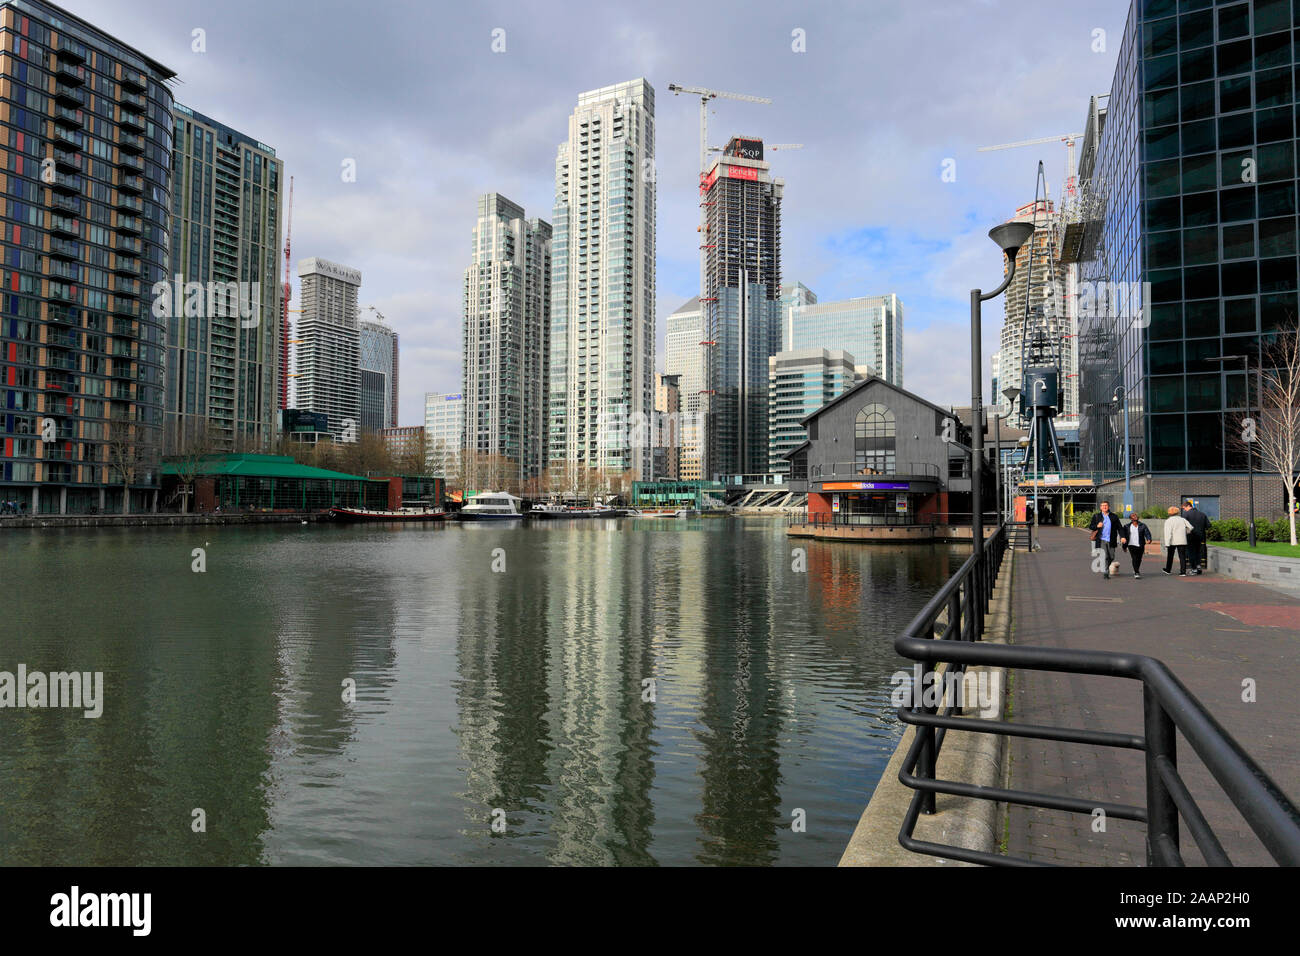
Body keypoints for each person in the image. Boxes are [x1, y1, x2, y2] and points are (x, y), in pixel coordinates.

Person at [1086, 501, 1122, 579]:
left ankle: (1106, 567)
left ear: (1108, 507)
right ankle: (1106, 572)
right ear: (1100, 507)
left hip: (1111, 539)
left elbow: (1119, 527)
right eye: (1103, 505)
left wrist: (1122, 537)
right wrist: (1097, 526)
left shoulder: (1114, 516)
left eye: (1106, 505)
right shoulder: (1096, 516)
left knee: (1112, 557)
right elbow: (1091, 527)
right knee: (1105, 556)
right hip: (1101, 539)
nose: (1104, 507)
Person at [1181, 500, 1210, 575]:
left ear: (1188, 506)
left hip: (1190, 536)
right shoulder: (1202, 514)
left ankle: (1193, 569)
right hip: (1200, 537)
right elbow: (1208, 525)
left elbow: (1182, 526)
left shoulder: (1185, 514)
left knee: (1191, 552)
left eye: (1184, 508)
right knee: (1198, 552)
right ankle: (1199, 566)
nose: (1184, 510)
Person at [1121, 511, 1153, 579]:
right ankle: (1136, 572)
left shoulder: (1143, 525)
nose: (1135, 516)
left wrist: (1149, 539)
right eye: (1133, 516)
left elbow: (1147, 533)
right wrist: (1124, 546)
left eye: (1136, 515)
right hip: (1131, 545)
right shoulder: (1127, 526)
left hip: (1140, 544)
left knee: (1139, 559)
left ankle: (1136, 569)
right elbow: (1124, 536)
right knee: (1134, 558)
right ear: (1130, 518)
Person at [1163, 506, 1193, 576]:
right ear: (1177, 512)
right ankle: (1183, 572)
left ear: (1169, 512)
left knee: (1170, 556)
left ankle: (1168, 570)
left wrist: (1167, 543)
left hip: (1172, 541)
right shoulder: (1182, 519)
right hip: (1182, 540)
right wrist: (1186, 532)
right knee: (1182, 556)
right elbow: (1191, 527)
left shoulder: (1168, 521)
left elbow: (1168, 533)